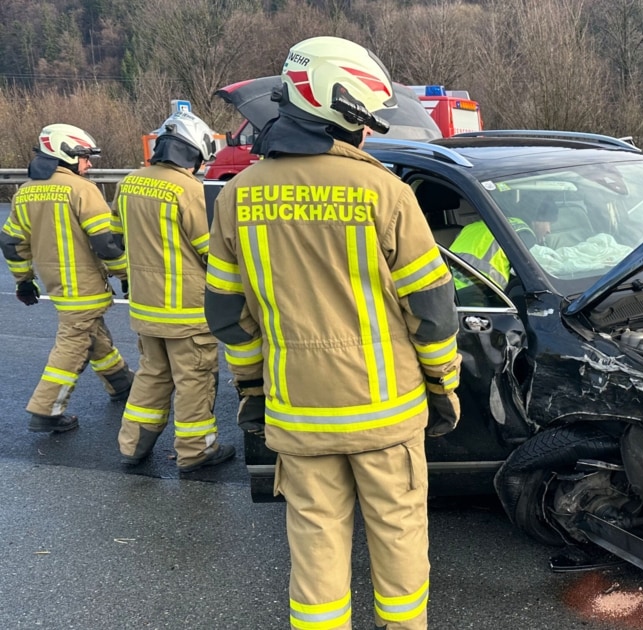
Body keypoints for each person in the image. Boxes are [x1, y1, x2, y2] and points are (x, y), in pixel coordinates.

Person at [204, 36, 461, 630]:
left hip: (298, 411)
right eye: (365, 120)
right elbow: (432, 310)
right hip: (386, 413)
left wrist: (252, 387)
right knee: (398, 539)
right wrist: (442, 383)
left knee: (314, 545)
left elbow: (227, 315)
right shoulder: (384, 192)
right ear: (340, 111)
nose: (368, 132)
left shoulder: (238, 196)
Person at [112, 111, 236, 471]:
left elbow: (116, 237)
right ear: (194, 153)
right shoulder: (189, 190)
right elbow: (211, 252)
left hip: (145, 308)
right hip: (186, 311)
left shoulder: (129, 183)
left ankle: (132, 446)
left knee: (152, 376)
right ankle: (196, 451)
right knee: (195, 380)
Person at [0, 124, 133, 433]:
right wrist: (126, 274)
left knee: (91, 333)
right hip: (83, 284)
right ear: (67, 155)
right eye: (85, 157)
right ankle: (45, 410)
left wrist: (23, 280)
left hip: (56, 284)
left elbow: (11, 242)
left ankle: (121, 383)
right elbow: (106, 242)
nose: (89, 165)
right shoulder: (82, 190)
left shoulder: (25, 192)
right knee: (73, 344)